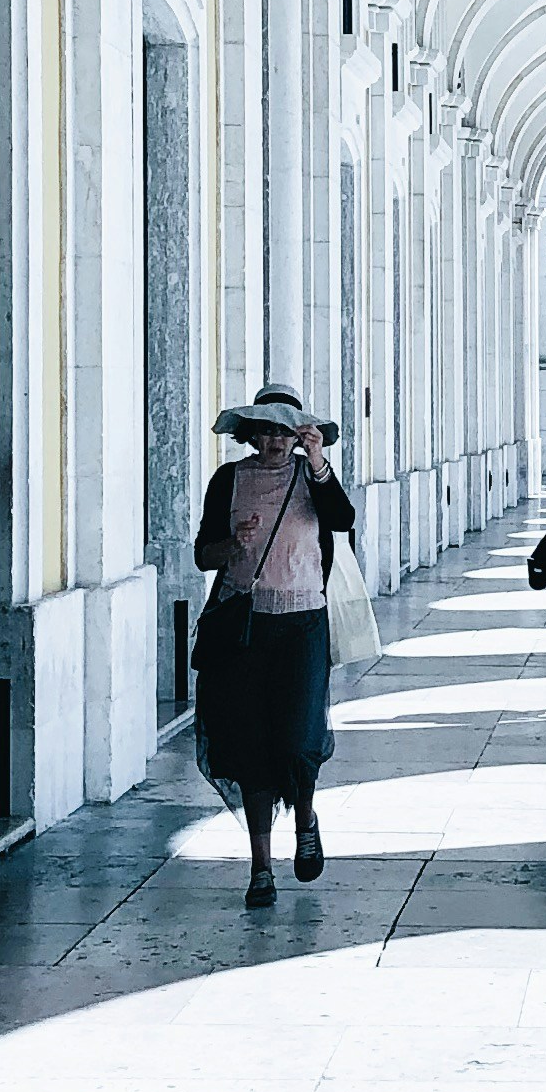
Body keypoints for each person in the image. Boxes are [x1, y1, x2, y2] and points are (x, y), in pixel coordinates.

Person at [192, 378, 358, 911]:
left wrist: (319, 463)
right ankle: (261, 868)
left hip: (303, 625)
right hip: (245, 628)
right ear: (251, 435)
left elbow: (343, 520)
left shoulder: (311, 479)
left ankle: (306, 820)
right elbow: (202, 554)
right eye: (265, 434)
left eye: (284, 435)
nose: (273, 443)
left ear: (297, 437)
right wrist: (230, 545)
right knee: (248, 750)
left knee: (298, 740)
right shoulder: (228, 481)